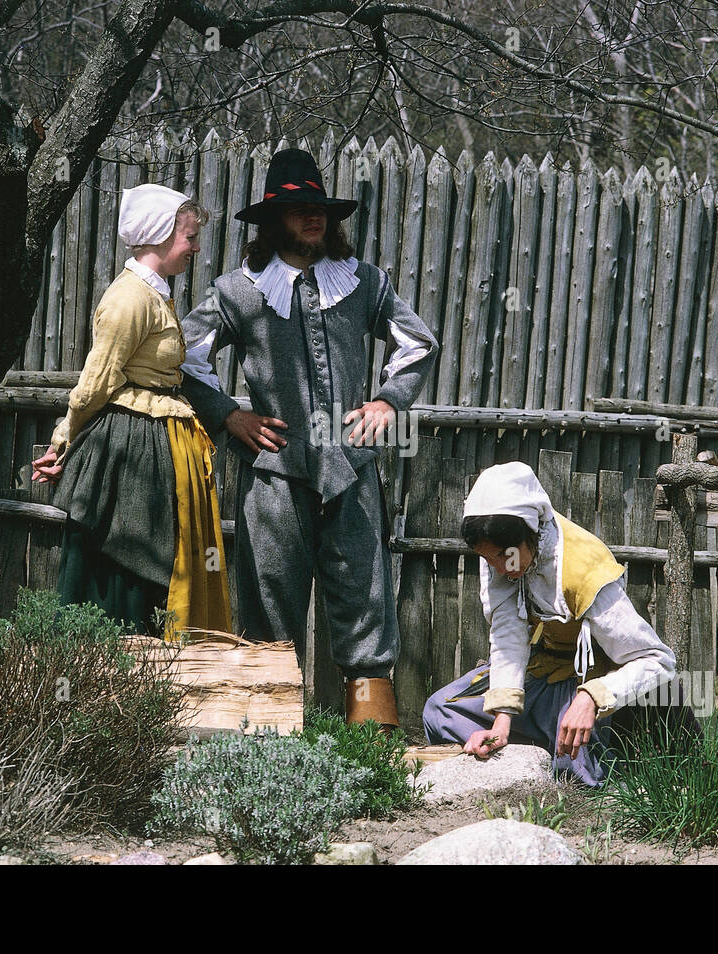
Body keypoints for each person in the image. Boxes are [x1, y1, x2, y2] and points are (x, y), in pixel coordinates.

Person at [178, 148, 439, 728]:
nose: (312, 218)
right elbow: (184, 356)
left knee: (366, 603)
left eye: (317, 208)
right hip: (272, 476)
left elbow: (418, 344)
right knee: (270, 609)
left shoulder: (364, 283)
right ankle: (273, 753)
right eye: (298, 210)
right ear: (273, 221)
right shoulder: (238, 291)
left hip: (351, 470)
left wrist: (387, 401)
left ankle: (372, 754)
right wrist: (228, 415)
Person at [31, 183, 231, 639]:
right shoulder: (129, 299)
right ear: (160, 234)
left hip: (153, 442)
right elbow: (94, 384)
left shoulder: (155, 294)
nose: (196, 248)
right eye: (189, 237)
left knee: (160, 562)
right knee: (125, 563)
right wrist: (64, 441)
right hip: (128, 449)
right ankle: (107, 677)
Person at [423, 462, 701, 785]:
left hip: (586, 684)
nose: (499, 568)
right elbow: (508, 634)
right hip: (540, 677)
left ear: (530, 532)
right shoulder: (502, 558)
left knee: (578, 769)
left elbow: (659, 661)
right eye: (489, 560)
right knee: (440, 710)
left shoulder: (583, 567)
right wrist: (502, 720)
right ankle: (533, 751)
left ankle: (567, 752)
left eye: (503, 556)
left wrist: (592, 697)